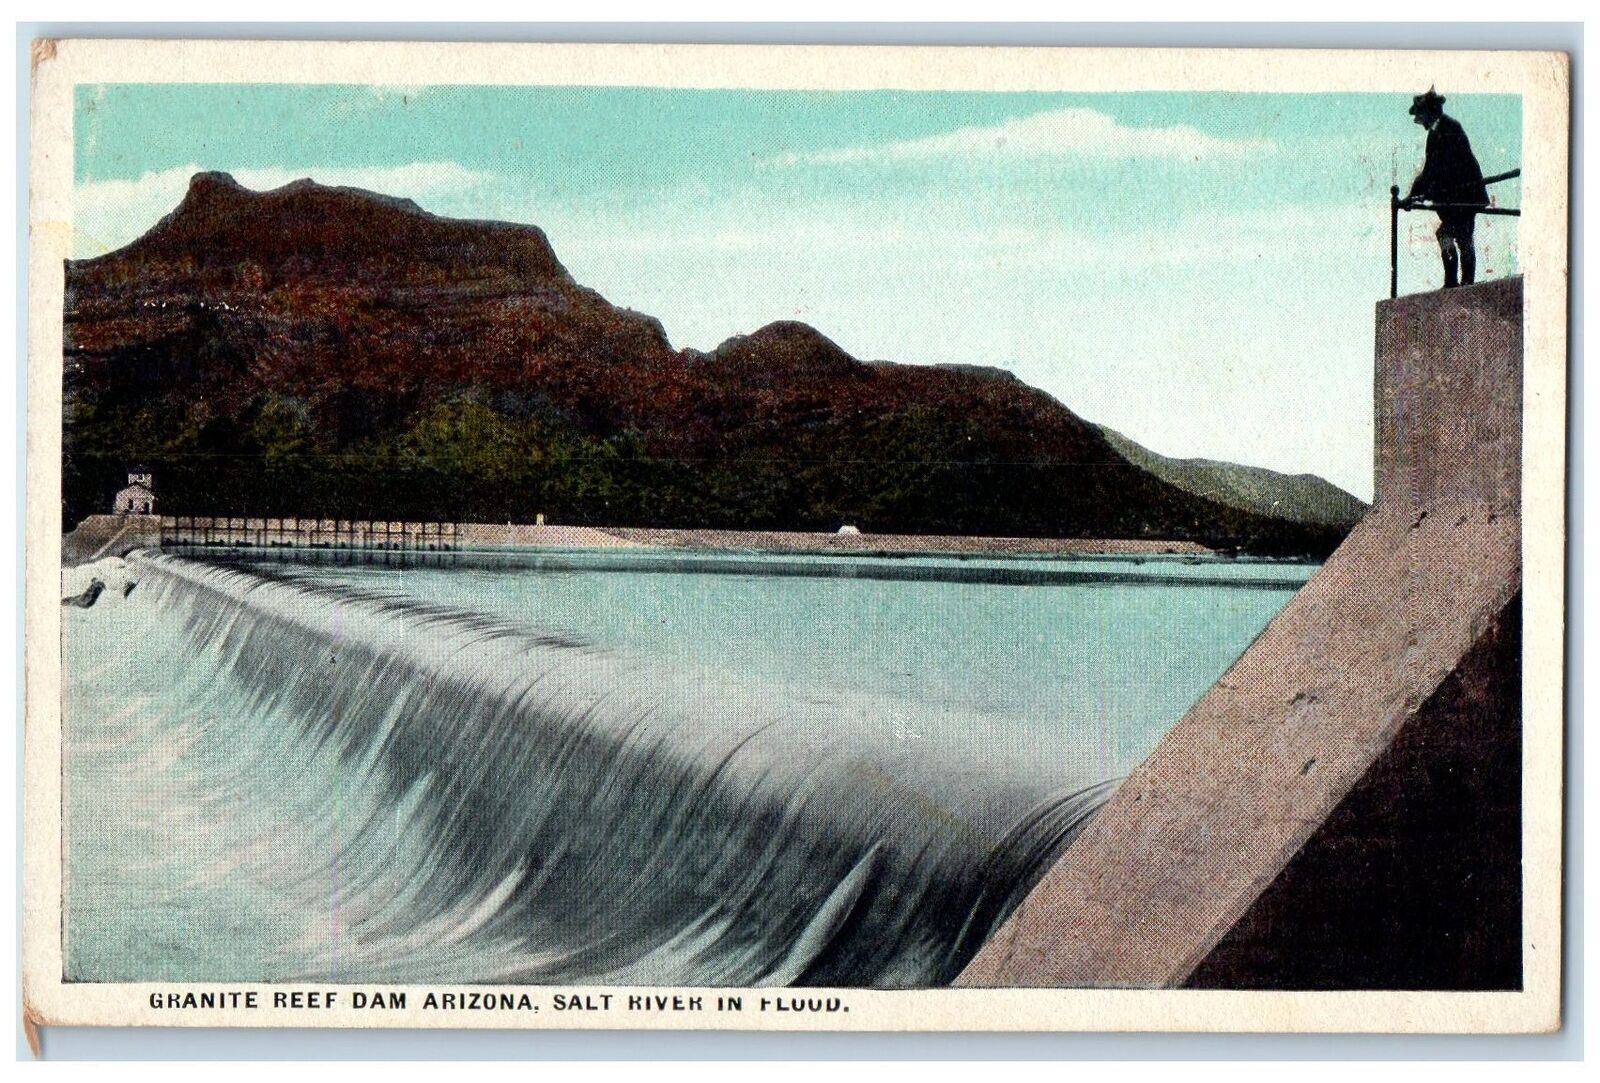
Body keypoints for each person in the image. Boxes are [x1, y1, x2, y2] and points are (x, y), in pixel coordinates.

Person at [1402, 88, 1490, 288]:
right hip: (1456, 197)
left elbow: (1440, 168)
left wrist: (1418, 193)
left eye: (1420, 114)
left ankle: (1462, 283)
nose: (1419, 120)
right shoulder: (1438, 131)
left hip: (1464, 196)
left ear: (1429, 112)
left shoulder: (1448, 128)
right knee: (1455, 235)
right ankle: (1458, 282)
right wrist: (1414, 194)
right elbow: (1431, 169)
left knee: (1458, 235)